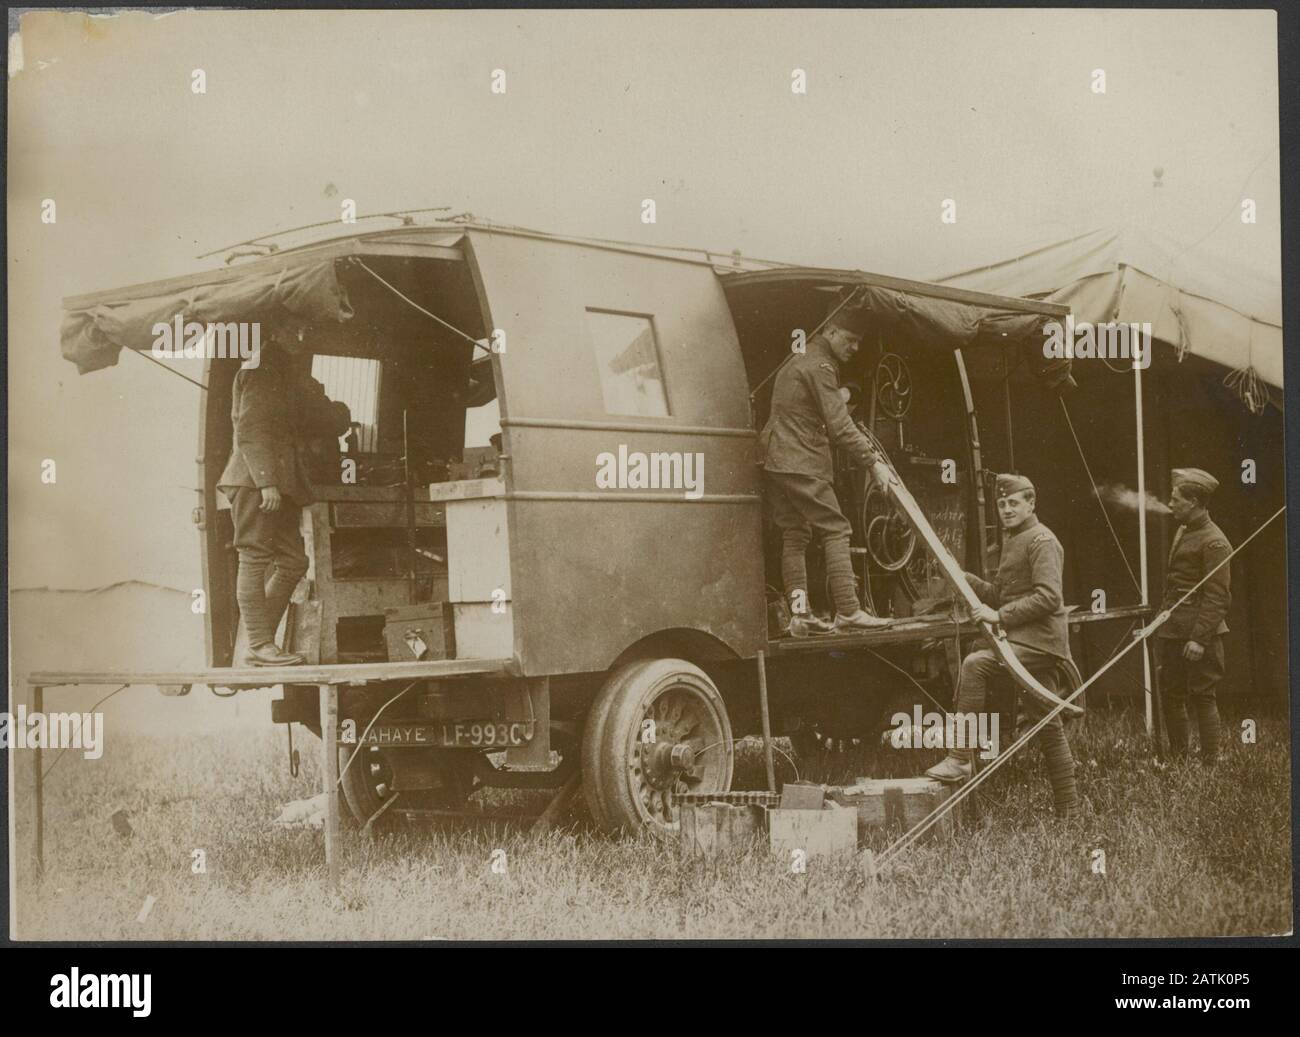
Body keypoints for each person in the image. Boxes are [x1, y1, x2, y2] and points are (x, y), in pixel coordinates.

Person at [925, 473, 1080, 819]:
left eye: (1014, 503)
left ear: (1031, 503)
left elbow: (1049, 597)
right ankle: (1069, 810)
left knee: (975, 664)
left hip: (1040, 642)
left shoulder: (1041, 541)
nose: (1006, 509)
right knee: (1049, 723)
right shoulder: (1015, 540)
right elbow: (1001, 595)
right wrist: (965, 579)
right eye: (1001, 504)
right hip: (1025, 639)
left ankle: (960, 757)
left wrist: (999, 616)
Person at [217, 321, 352, 666]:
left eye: (305, 331)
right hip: (255, 482)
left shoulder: (282, 370)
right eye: (295, 330)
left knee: (294, 561)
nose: (302, 336)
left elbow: (312, 417)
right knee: (253, 555)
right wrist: (266, 482)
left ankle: (260, 644)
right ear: (275, 331)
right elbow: (251, 428)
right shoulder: (262, 368)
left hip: (276, 483)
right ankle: (261, 645)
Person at [758, 301, 889, 635]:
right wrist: (873, 462)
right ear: (830, 331)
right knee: (837, 528)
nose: (855, 347)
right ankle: (848, 610)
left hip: (776, 458)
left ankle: (800, 614)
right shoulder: (821, 366)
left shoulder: (799, 360)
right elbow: (841, 427)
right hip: (802, 459)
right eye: (850, 339)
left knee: (796, 532)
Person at [1157, 468, 1231, 764]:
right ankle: (1179, 759)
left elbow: (1217, 596)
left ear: (1194, 501)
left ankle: (1211, 762)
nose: (1171, 503)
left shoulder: (1214, 542)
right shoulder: (1184, 530)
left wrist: (1199, 639)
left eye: (1176, 499)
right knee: (1172, 694)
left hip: (1200, 633)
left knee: (1202, 695)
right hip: (1174, 629)